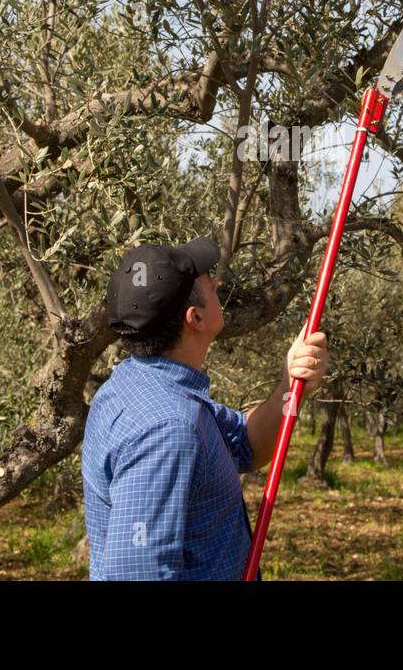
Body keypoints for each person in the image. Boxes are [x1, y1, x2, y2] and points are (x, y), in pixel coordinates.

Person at [82, 236, 329, 580]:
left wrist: (290, 386)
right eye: (206, 281)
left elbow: (246, 444)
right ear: (195, 317)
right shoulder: (167, 429)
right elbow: (135, 573)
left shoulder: (140, 387)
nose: (217, 282)